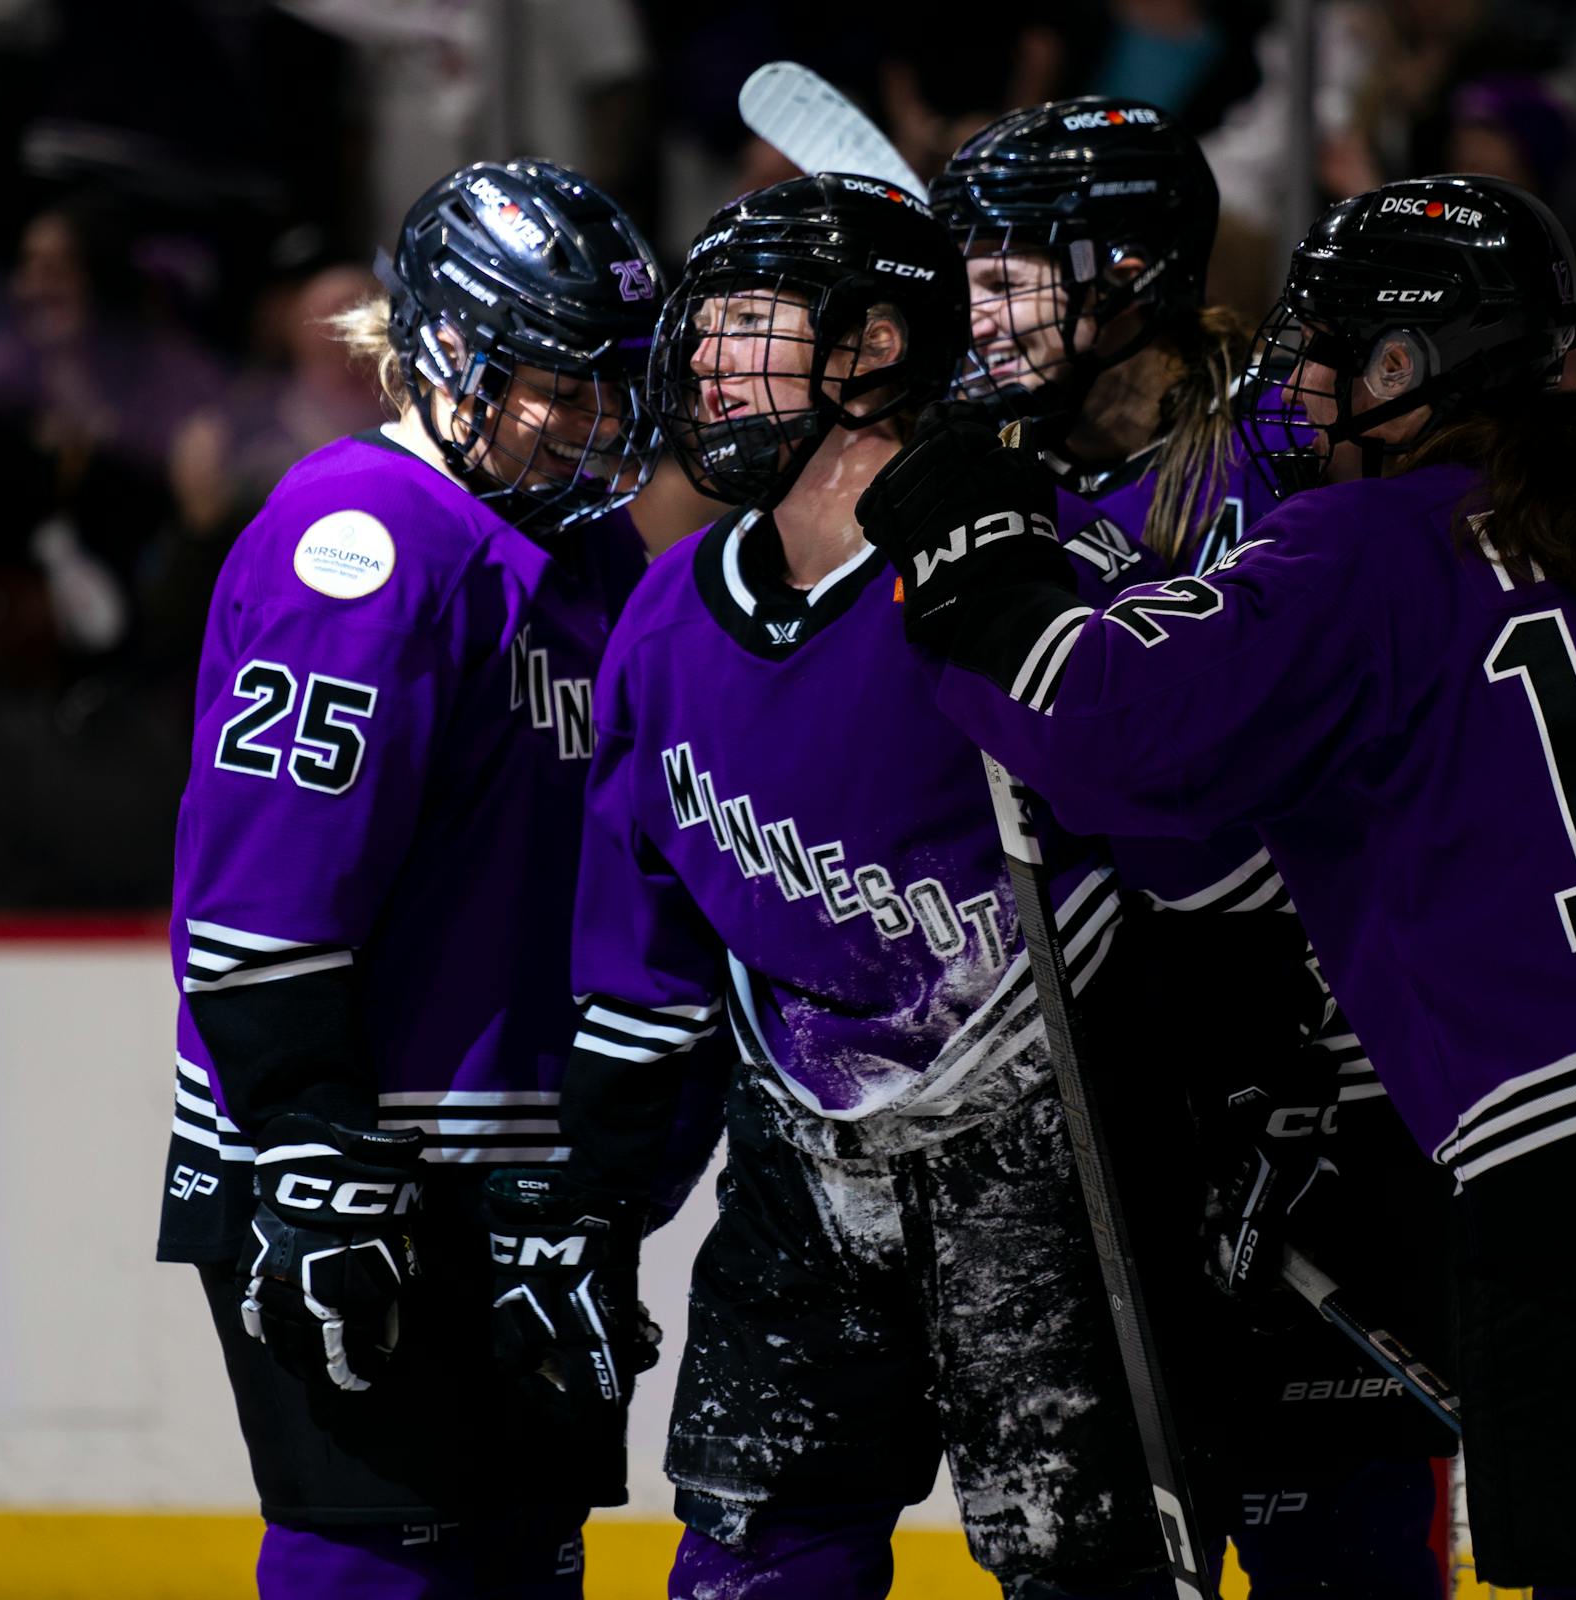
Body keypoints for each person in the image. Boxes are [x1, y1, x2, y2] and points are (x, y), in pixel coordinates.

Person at [862, 172, 1576, 1595]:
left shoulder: (1371, 548)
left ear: (1404, 365)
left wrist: (979, 565)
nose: (1295, 389)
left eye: (1320, 353)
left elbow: (1119, 733)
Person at [527, 173, 1180, 1599]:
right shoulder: (666, 608)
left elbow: (1196, 858)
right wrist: (591, 1204)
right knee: (753, 1560)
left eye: (743, 319)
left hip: (1048, 1159)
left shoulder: (1037, 571)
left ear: (873, 345)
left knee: (1083, 1570)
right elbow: (646, 969)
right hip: (798, 1164)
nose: (699, 355)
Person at [934, 97, 1452, 1591]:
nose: (978, 308)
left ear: (1132, 268)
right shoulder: (999, 481)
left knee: (1339, 1547)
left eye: (1012, 269)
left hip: (1331, 1086)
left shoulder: (1287, 438)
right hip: (1120, 1098)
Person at [151, 158, 685, 1599]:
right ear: (448, 352)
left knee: (522, 1550)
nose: (590, 421)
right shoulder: (370, 546)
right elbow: (260, 893)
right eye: (551, 385)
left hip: (510, 1162)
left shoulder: (579, 553)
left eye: (608, 384)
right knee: (389, 1555)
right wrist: (314, 1154)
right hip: (351, 1152)